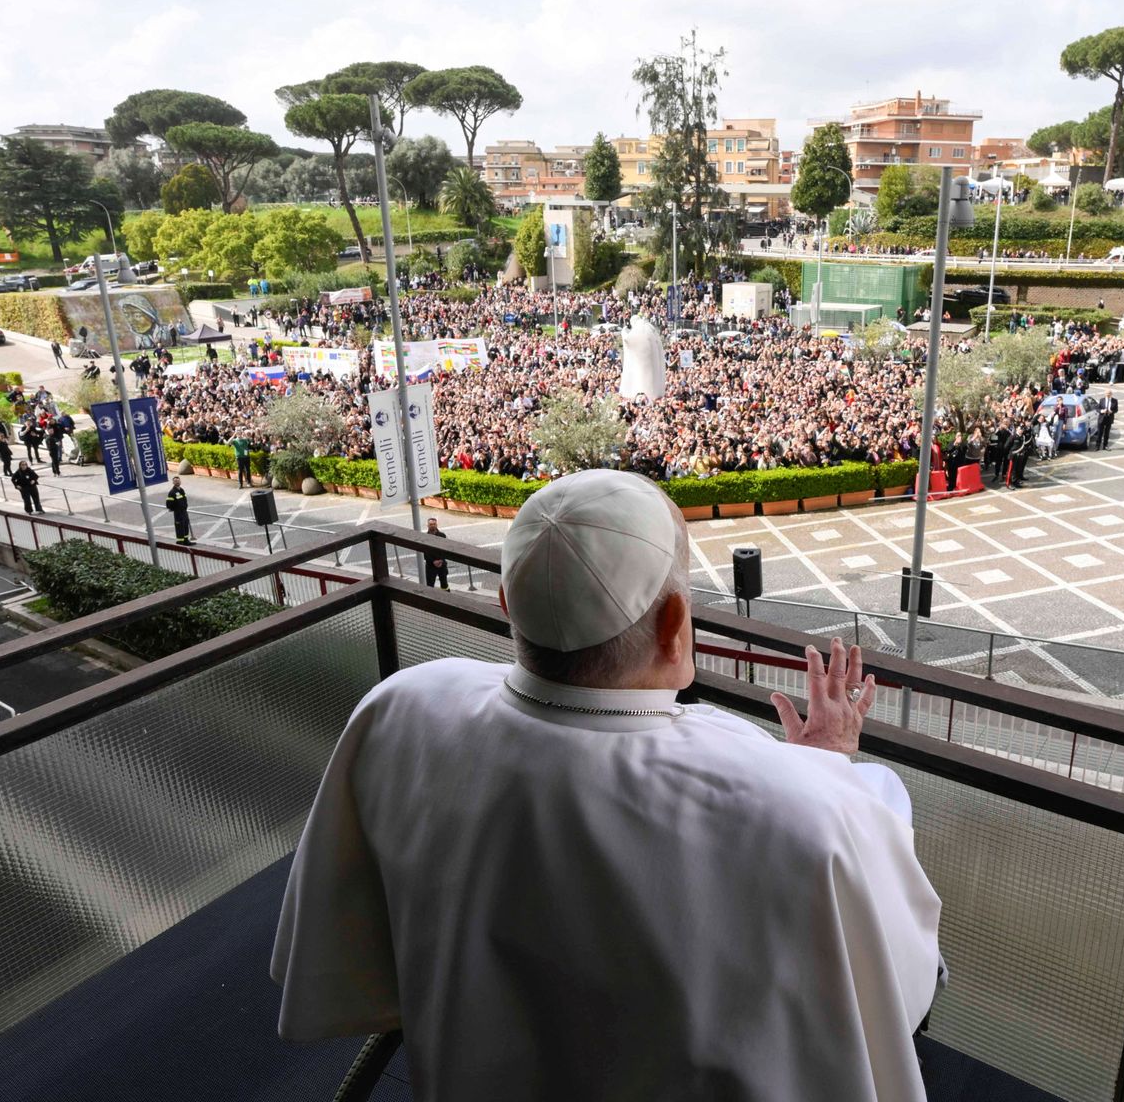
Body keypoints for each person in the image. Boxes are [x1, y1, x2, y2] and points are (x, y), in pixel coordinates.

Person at [272, 470, 941, 1099]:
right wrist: (828, 762)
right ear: (675, 627)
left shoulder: (406, 704)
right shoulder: (794, 805)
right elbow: (897, 985)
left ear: (509, 603)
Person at [166, 477, 193, 544]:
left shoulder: (181, 490)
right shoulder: (172, 492)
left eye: (178, 481)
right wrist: (175, 509)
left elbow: (184, 500)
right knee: (179, 526)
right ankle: (180, 541)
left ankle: (186, 540)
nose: (177, 482)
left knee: (185, 525)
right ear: (173, 482)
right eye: (175, 481)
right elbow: (168, 504)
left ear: (180, 481)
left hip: (184, 511)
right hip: (178, 513)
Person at [425, 517, 450, 589]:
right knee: (430, 585)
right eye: (431, 524)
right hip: (430, 565)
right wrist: (433, 561)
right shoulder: (425, 537)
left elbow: (445, 550)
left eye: (434, 524)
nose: (432, 525)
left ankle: (446, 597)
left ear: (436, 525)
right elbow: (426, 553)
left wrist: (441, 560)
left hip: (442, 564)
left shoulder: (442, 535)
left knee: (444, 584)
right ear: (428, 525)